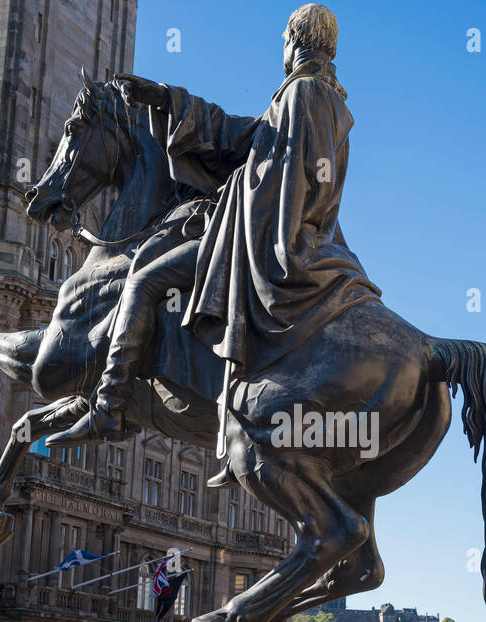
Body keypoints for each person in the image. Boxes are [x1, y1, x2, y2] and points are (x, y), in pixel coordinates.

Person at [47, 3, 383, 492]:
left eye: (285, 41)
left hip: (267, 240)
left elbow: (291, 178)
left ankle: (109, 407)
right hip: (269, 231)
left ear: (297, 40)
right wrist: (165, 98)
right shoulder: (311, 97)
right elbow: (240, 136)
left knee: (144, 279)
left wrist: (247, 216)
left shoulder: (306, 96)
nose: (283, 52)